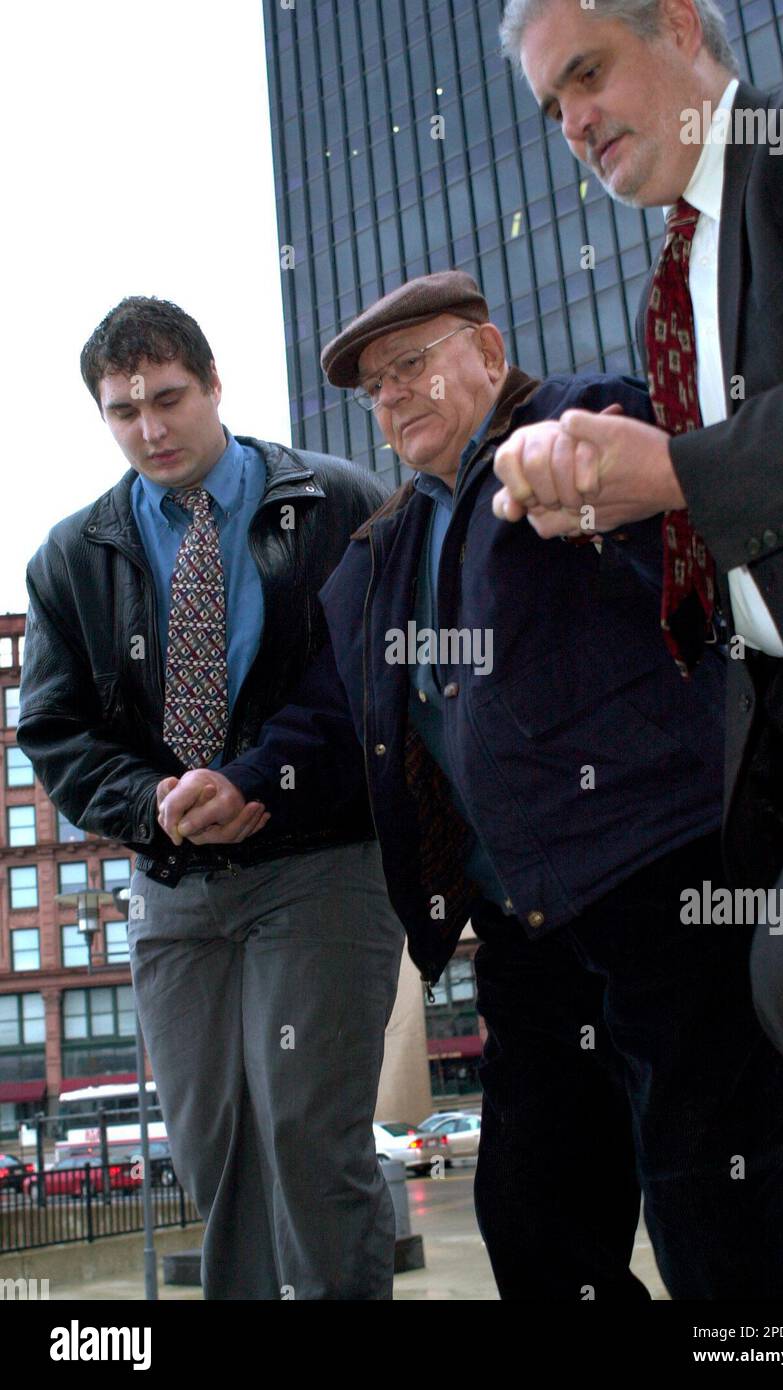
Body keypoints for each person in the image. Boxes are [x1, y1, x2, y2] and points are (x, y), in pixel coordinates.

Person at [159, 270, 783, 1300]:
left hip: (661, 870)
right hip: (520, 914)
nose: (393, 397)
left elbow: (668, 502)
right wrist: (244, 780)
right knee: (532, 1204)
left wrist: (593, 469)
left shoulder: (571, 424)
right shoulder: (373, 556)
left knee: (711, 1174)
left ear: (486, 350)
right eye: (373, 389)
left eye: (412, 364)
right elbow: (335, 720)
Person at [496, 0, 783, 1244]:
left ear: (676, 23)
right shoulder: (681, 267)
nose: (574, 125)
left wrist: (672, 474)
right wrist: (609, 504)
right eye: (553, 108)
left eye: (588, 75)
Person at [17, 296, 404, 1300]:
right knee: (212, 1145)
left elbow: (364, 683)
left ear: (214, 383)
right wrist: (152, 802)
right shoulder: (70, 557)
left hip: (317, 862)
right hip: (172, 882)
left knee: (306, 1133)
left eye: (168, 399)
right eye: (123, 409)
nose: (150, 428)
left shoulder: (333, 502)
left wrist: (250, 777)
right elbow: (54, 730)